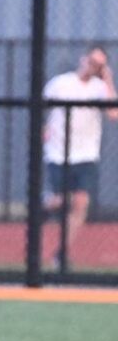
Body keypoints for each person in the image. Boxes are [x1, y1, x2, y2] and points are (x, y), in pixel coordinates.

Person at [43, 45, 118, 268]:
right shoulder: (60, 83)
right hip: (58, 153)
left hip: (86, 154)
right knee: (61, 199)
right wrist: (44, 129)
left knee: (80, 203)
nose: (92, 67)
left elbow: (114, 113)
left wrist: (108, 79)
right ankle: (45, 204)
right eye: (91, 61)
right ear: (83, 59)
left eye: (99, 65)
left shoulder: (99, 89)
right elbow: (42, 108)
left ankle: (61, 253)